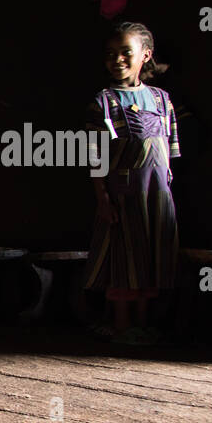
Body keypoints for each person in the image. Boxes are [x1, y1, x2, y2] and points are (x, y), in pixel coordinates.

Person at [83, 21, 180, 344]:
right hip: (123, 194)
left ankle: (143, 323)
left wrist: (164, 192)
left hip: (156, 196)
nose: (118, 59)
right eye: (111, 54)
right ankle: (123, 326)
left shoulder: (162, 100)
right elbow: (94, 156)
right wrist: (103, 198)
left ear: (146, 55)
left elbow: (169, 151)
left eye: (126, 52)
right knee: (125, 259)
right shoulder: (105, 102)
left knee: (149, 259)